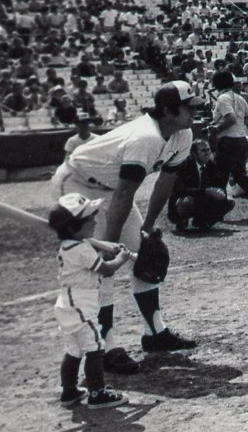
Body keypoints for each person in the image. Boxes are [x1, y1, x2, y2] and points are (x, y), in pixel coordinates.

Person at [50, 80, 203, 368]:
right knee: (101, 266)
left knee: (143, 254)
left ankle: (155, 333)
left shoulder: (182, 135)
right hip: (77, 186)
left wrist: (146, 226)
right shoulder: (146, 137)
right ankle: (106, 347)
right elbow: (124, 194)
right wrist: (108, 242)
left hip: (110, 190)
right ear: (168, 110)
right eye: (187, 107)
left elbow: (165, 182)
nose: (194, 112)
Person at [49, 193, 133, 410]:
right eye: (89, 219)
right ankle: (98, 394)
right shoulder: (81, 249)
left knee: (74, 349)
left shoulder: (72, 244)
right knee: (94, 348)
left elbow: (89, 246)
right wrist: (121, 258)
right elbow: (106, 270)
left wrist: (108, 246)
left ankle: (69, 392)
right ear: (75, 227)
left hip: (69, 303)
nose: (95, 221)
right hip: (80, 305)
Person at [209, 71, 248, 219]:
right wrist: (237, 124)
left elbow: (230, 118)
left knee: (220, 175)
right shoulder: (239, 97)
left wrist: (216, 128)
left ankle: (219, 209)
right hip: (242, 140)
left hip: (227, 141)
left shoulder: (222, 99)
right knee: (240, 176)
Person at [167, 140, 235, 232]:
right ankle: (181, 221)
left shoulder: (211, 164)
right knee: (188, 201)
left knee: (230, 202)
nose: (207, 153)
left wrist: (219, 192)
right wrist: (205, 191)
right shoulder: (184, 165)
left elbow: (218, 184)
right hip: (182, 202)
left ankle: (203, 222)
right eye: (203, 151)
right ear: (194, 154)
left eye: (208, 150)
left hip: (202, 201)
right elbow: (180, 189)